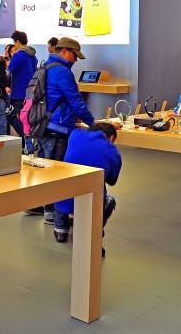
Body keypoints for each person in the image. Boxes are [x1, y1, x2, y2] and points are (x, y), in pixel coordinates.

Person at [31, 37, 95, 222]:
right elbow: (76, 100)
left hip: (43, 124)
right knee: (57, 174)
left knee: (45, 170)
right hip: (57, 129)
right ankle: (55, 215)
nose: (75, 61)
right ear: (66, 52)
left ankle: (46, 208)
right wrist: (93, 124)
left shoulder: (45, 66)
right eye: (75, 56)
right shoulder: (62, 72)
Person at [53, 122, 121, 254]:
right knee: (108, 199)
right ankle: (93, 233)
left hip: (61, 197)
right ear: (111, 138)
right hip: (89, 200)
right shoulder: (113, 152)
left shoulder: (75, 134)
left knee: (63, 183)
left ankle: (60, 230)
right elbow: (112, 181)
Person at [7, 31, 37, 153]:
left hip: (18, 92)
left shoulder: (18, 55)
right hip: (30, 92)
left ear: (18, 41)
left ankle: (27, 138)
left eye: (14, 42)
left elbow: (10, 70)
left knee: (10, 115)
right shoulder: (33, 57)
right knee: (25, 119)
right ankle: (27, 146)